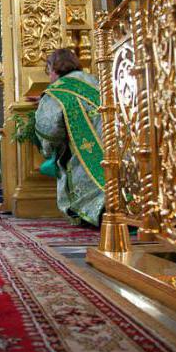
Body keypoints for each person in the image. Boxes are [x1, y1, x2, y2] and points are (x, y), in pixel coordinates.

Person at [27, 49, 105, 226]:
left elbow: (50, 131)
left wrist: (47, 149)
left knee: (85, 169)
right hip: (114, 141)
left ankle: (96, 212)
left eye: (48, 72)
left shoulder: (57, 91)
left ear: (53, 69)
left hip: (87, 150)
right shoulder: (94, 81)